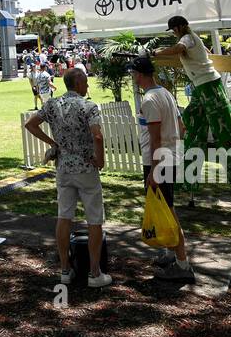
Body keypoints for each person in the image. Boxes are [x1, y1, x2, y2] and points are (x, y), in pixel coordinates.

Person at [154, 15, 231, 211]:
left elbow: (179, 49)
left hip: (210, 88)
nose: (174, 33)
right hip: (202, 87)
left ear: (182, 26)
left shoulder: (188, 38)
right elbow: (204, 52)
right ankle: (187, 184)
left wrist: (156, 53)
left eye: (174, 29)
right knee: (193, 126)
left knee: (228, 137)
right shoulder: (193, 39)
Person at [24, 68, 111, 288]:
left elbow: (31, 124)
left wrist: (53, 143)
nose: (88, 87)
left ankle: (65, 269)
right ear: (78, 83)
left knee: (64, 217)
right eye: (86, 83)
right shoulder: (89, 106)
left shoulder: (53, 104)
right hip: (86, 169)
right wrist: (100, 161)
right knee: (94, 220)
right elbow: (98, 136)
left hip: (63, 167)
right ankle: (94, 272)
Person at [131, 57, 193, 281]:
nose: (133, 78)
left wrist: (154, 171)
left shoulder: (149, 99)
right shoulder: (165, 93)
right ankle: (170, 253)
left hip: (158, 160)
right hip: (169, 157)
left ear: (139, 74)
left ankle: (183, 264)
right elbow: (182, 127)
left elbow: (155, 139)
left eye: (133, 73)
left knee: (168, 211)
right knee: (165, 207)